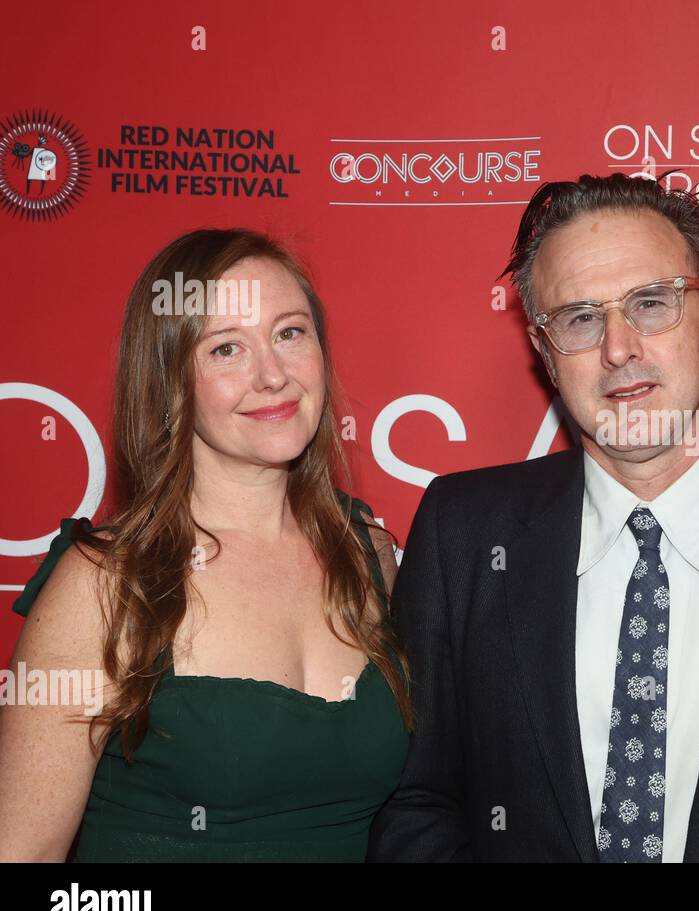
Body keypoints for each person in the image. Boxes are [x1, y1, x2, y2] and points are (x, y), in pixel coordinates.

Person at [368, 172, 699, 862]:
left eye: (651, 303)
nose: (619, 347)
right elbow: (415, 803)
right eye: (581, 318)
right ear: (544, 350)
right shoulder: (463, 532)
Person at [0, 228, 412, 861]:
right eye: (226, 349)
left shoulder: (369, 556)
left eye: (290, 333)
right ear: (169, 378)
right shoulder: (106, 584)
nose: (271, 375)